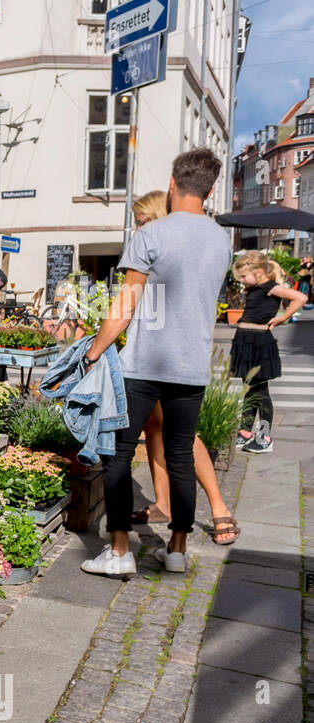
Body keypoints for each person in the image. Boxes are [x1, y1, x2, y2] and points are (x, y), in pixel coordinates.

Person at [81, 148, 233, 578]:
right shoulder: (221, 240)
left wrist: (94, 353)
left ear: (172, 183)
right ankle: (178, 550)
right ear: (210, 188)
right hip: (191, 368)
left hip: (143, 367)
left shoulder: (152, 234)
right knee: (181, 455)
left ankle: (119, 550)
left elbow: (126, 304)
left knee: (119, 453)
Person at [125, 190, 239, 545]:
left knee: (182, 438)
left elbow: (167, 307)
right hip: (153, 351)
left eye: (142, 221)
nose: (137, 228)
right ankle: (163, 503)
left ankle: (218, 507)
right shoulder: (156, 252)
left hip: (171, 356)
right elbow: (151, 306)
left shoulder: (172, 251)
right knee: (155, 426)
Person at [228, 251, 308, 454]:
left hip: (259, 342)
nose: (242, 281)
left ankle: (264, 437)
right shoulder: (255, 287)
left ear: (258, 271)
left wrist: (282, 318)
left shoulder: (271, 287)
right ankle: (245, 431)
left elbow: (300, 297)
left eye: (244, 276)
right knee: (250, 388)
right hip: (245, 341)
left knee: (261, 391)